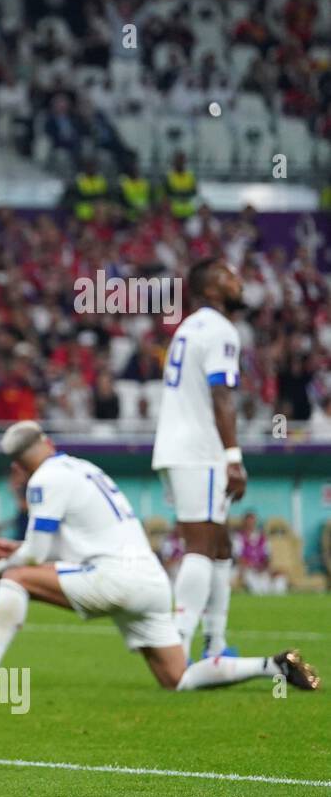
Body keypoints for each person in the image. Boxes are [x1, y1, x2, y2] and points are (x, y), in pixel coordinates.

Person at [0, 422, 317, 694]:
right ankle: (272, 665)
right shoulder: (83, 467)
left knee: (14, 580)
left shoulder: (43, 479)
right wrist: (19, 553)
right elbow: (74, 542)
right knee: (178, 679)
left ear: (17, 467)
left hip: (113, 578)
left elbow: (37, 554)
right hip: (150, 582)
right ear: (48, 441)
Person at [152, 258, 246, 660]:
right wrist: (233, 456)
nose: (236, 279)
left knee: (220, 544)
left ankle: (217, 642)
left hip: (176, 447)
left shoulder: (188, 328)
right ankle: (177, 644)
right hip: (199, 451)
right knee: (200, 546)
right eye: (226, 276)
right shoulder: (221, 330)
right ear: (210, 290)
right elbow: (221, 394)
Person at [233, 511, 288, 595]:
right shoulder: (238, 537)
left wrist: (264, 567)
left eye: (252, 522)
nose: (250, 524)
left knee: (280, 579)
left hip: (262, 569)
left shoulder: (262, 537)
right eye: (248, 522)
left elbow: (268, 556)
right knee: (254, 583)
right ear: (244, 523)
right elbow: (238, 557)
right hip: (248, 570)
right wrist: (251, 566)